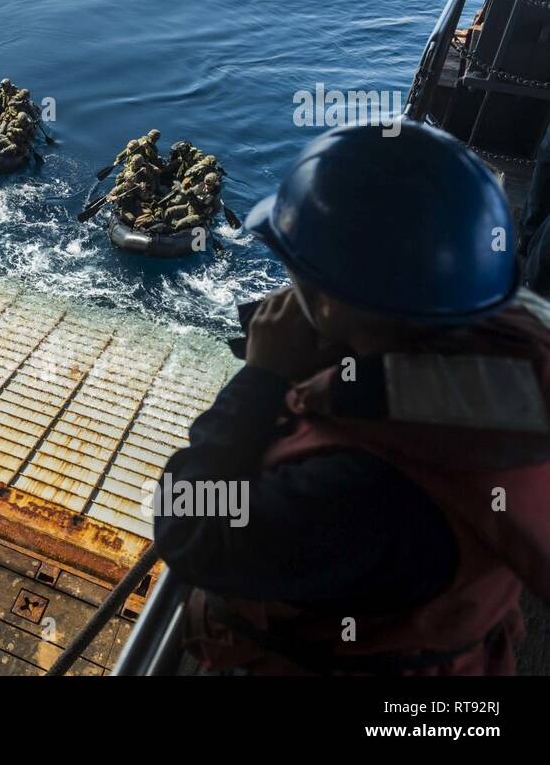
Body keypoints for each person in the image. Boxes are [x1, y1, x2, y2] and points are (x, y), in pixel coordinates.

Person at [154, 119, 550, 675]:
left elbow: (187, 521)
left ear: (334, 303)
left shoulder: (354, 490)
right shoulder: (509, 353)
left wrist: (261, 378)